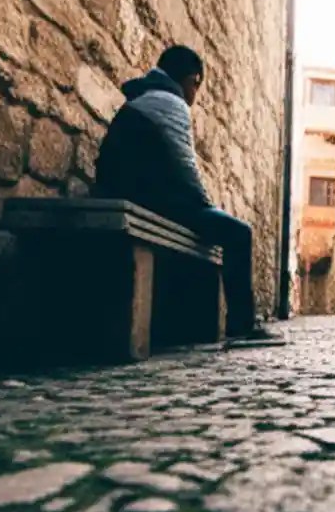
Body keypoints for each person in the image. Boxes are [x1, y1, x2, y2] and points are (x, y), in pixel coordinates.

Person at [95, 45, 282, 344]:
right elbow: (185, 167)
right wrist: (208, 208)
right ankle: (242, 325)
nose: (195, 98)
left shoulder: (144, 96)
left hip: (129, 192)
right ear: (192, 79)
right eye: (198, 87)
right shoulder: (171, 102)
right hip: (154, 200)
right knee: (238, 232)